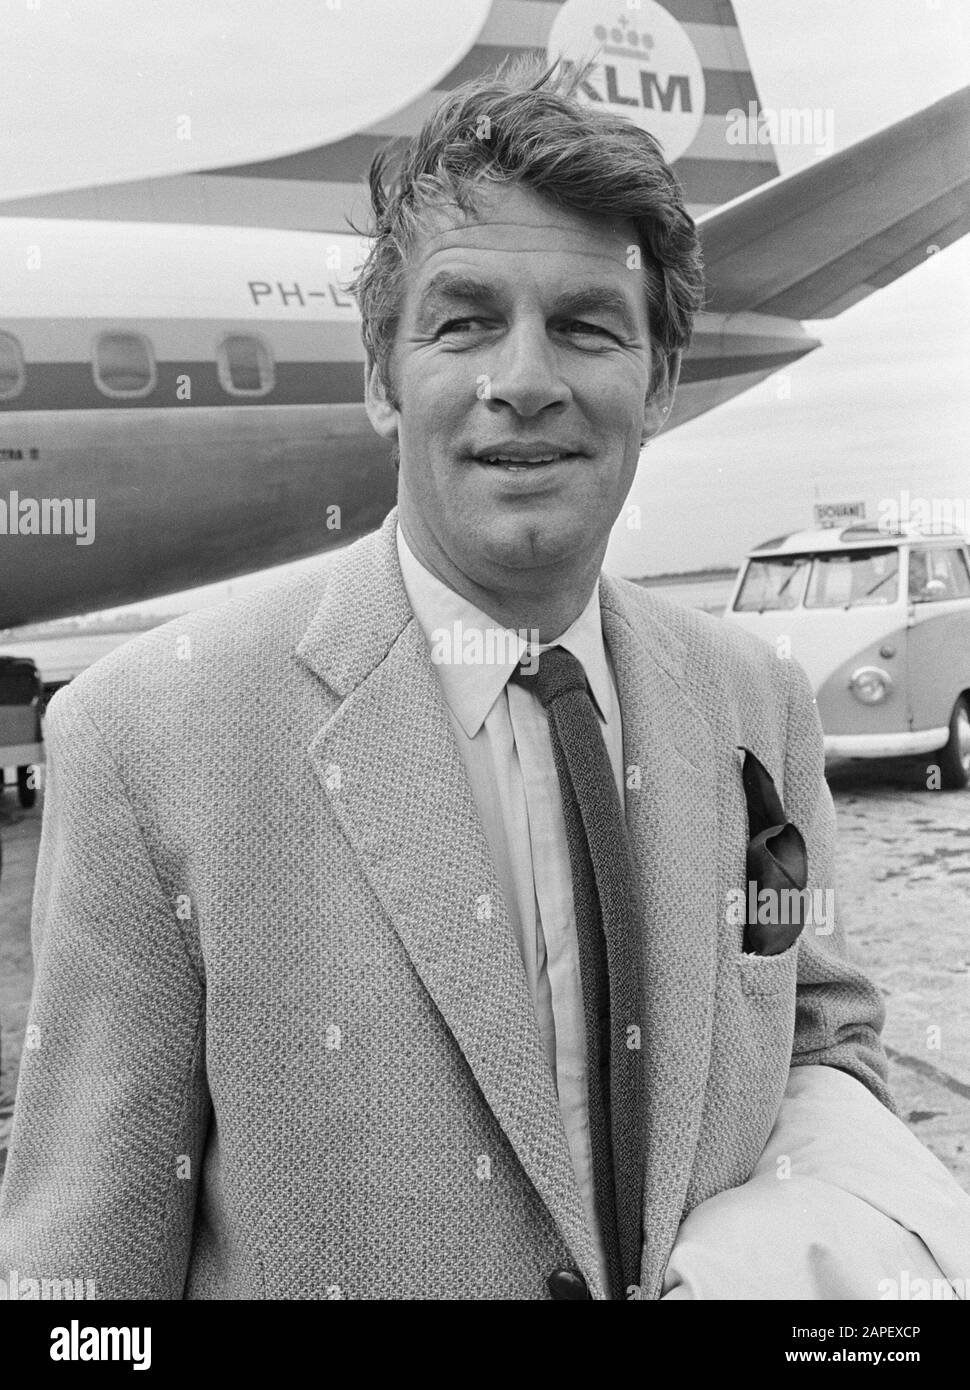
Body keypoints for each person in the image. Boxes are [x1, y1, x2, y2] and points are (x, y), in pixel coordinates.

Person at [0, 57, 967, 1301]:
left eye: (585, 325)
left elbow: (820, 1036)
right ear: (379, 378)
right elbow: (81, 1296)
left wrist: (787, 1258)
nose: (523, 379)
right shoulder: (145, 743)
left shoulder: (756, 704)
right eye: (462, 321)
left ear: (660, 382)